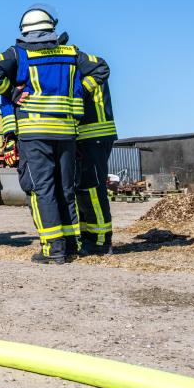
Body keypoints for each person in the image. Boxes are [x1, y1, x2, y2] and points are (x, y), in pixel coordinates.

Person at [0, 4, 108, 264]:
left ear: (25, 31)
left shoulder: (19, 54)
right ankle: (71, 244)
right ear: (51, 28)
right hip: (67, 134)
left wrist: (12, 92)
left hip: (34, 133)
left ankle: (53, 249)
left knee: (43, 190)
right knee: (65, 189)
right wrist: (80, 91)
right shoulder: (71, 53)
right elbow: (101, 68)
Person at [75, 52, 116, 255]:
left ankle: (100, 241)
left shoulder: (82, 63)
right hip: (86, 136)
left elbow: (103, 68)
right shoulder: (80, 66)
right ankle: (88, 239)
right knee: (82, 190)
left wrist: (77, 90)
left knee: (91, 189)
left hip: (93, 135)